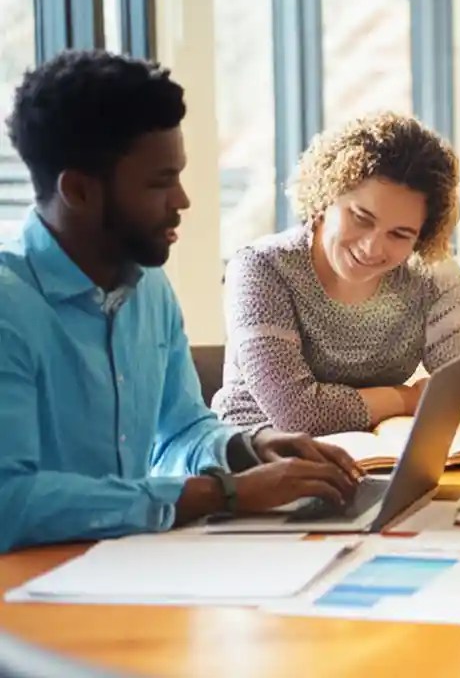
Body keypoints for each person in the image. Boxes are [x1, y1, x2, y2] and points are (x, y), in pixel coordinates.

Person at [0, 50, 360, 553]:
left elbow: (178, 431)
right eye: (159, 183)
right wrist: (221, 493)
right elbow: (10, 501)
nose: (182, 200)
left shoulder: (147, 286)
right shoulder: (9, 307)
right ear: (79, 191)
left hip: (128, 567)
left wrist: (244, 449)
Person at [214, 112, 460, 436]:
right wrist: (406, 399)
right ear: (327, 197)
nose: (371, 247)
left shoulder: (429, 275)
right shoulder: (262, 268)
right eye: (361, 218)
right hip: (259, 461)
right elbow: (298, 415)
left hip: (373, 457)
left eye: (400, 234)